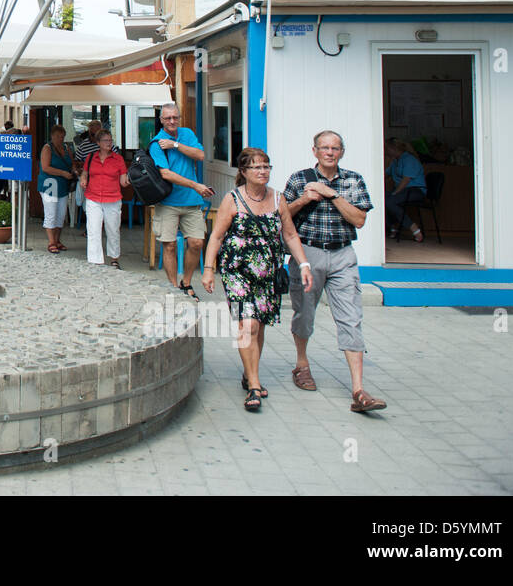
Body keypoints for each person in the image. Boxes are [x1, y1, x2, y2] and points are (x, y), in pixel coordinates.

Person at [283, 130, 388, 413]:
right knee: (304, 312)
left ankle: (358, 390)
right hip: (308, 253)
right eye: (324, 148)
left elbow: (360, 219)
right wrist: (305, 199)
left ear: (341, 152)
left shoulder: (353, 180)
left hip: (343, 253)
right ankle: (302, 365)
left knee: (351, 318)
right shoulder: (298, 179)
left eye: (335, 148)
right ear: (314, 151)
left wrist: (332, 195)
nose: (329, 153)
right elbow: (283, 218)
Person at [203, 148, 310, 412]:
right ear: (243, 172)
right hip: (237, 270)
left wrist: (304, 263)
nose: (262, 171)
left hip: (268, 272)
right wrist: (208, 268)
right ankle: (254, 386)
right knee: (248, 325)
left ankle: (250, 372)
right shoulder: (233, 199)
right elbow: (216, 236)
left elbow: (290, 235)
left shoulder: (278, 199)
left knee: (259, 327)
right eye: (256, 167)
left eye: (266, 166)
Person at [148, 102, 214, 301]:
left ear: (179, 117)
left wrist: (175, 145)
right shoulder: (156, 143)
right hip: (168, 201)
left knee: (196, 242)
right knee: (168, 245)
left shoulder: (187, 134)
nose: (171, 121)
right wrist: (195, 185)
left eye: (175, 117)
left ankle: (186, 282)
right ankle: (173, 286)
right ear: (161, 120)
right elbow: (166, 173)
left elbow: (201, 155)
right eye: (167, 118)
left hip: (191, 202)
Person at [79, 129, 129, 267]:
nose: (109, 143)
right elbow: (85, 173)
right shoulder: (91, 157)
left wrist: (129, 180)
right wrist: (83, 180)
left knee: (113, 230)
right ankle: (95, 260)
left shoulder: (118, 159)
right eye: (106, 140)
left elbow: (123, 180)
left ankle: (114, 258)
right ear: (98, 143)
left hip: (112, 198)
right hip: (93, 197)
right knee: (93, 229)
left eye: (110, 140)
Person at [38, 124, 75, 254]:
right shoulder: (47, 148)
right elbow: (45, 167)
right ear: (52, 136)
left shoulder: (67, 148)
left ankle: (57, 240)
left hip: (63, 185)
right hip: (49, 184)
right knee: (51, 213)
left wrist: (74, 171)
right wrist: (63, 173)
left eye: (62, 136)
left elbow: (71, 163)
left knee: (61, 214)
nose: (61, 139)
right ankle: (51, 242)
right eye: (58, 136)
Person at [384, 138, 427, 242]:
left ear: (394, 148)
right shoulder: (395, 161)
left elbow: (405, 180)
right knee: (382, 199)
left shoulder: (409, 159)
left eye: (387, 148)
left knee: (390, 201)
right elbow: (385, 174)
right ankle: (394, 225)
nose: (385, 150)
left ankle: (413, 228)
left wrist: (395, 193)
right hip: (404, 191)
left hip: (415, 190)